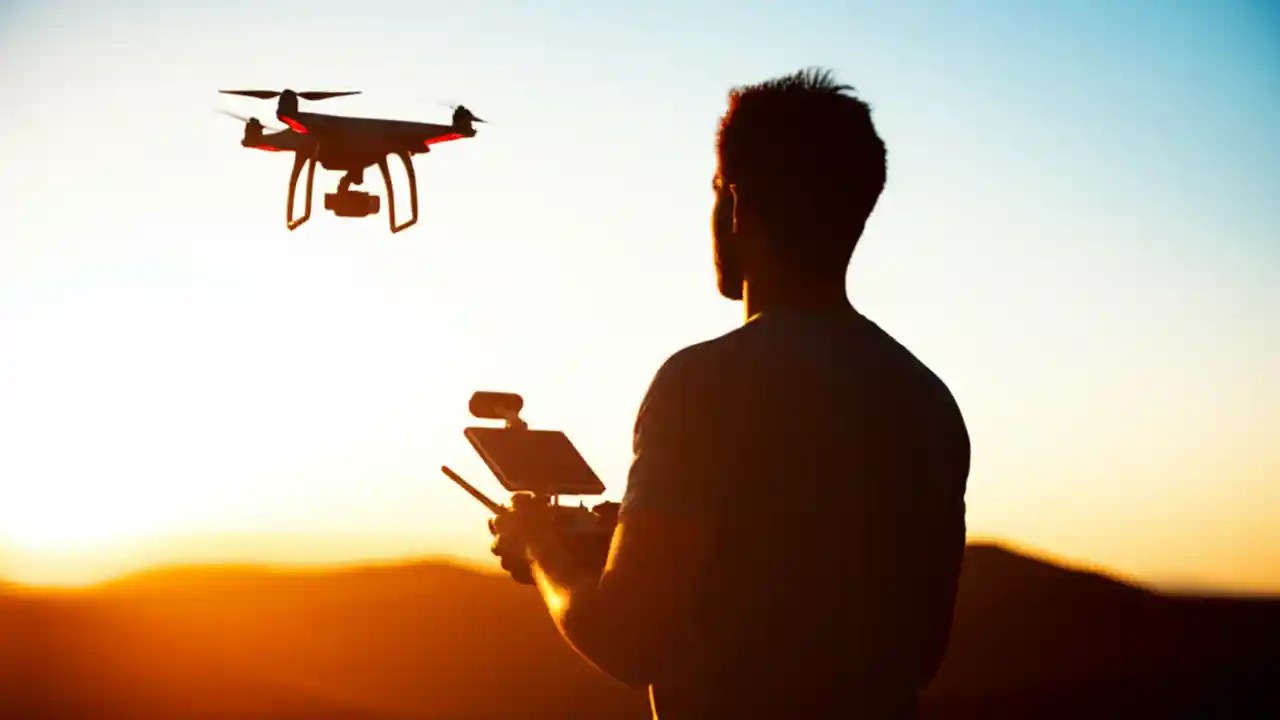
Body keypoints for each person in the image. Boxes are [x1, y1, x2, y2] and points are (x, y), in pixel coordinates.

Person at [490, 67, 970, 719]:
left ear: (737, 205)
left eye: (716, 192)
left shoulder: (701, 384)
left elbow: (630, 642)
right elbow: (917, 653)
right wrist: (637, 550)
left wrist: (541, 548)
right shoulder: (927, 402)